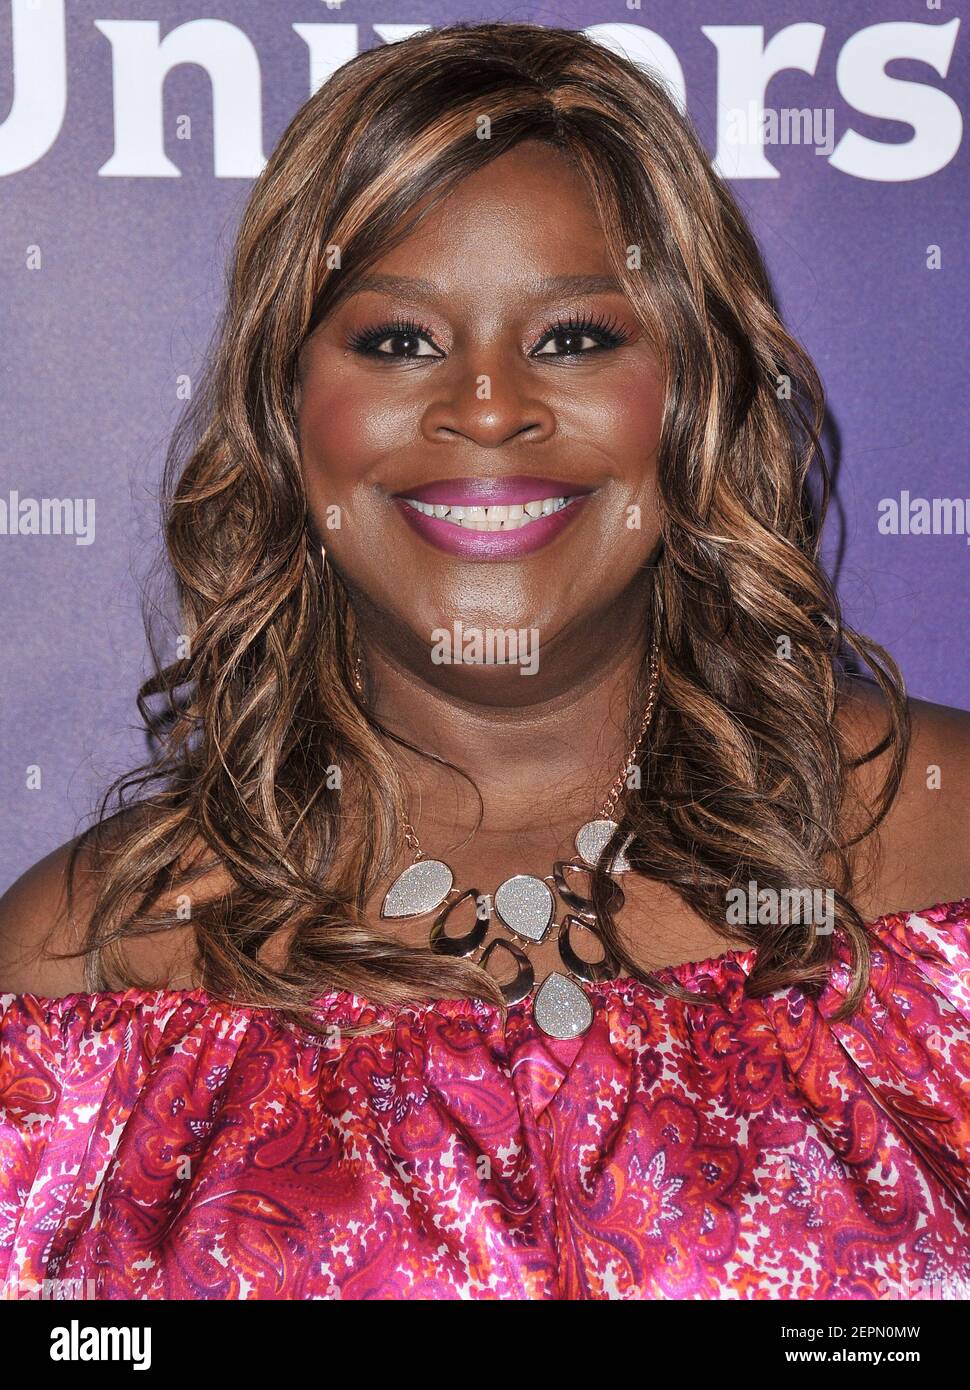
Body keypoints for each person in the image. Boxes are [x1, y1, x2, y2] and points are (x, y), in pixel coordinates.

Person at [1, 21, 968, 1300]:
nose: (488, 404)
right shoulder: (85, 968)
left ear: (694, 394)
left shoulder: (935, 846)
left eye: (573, 336)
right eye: (399, 340)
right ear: (287, 418)